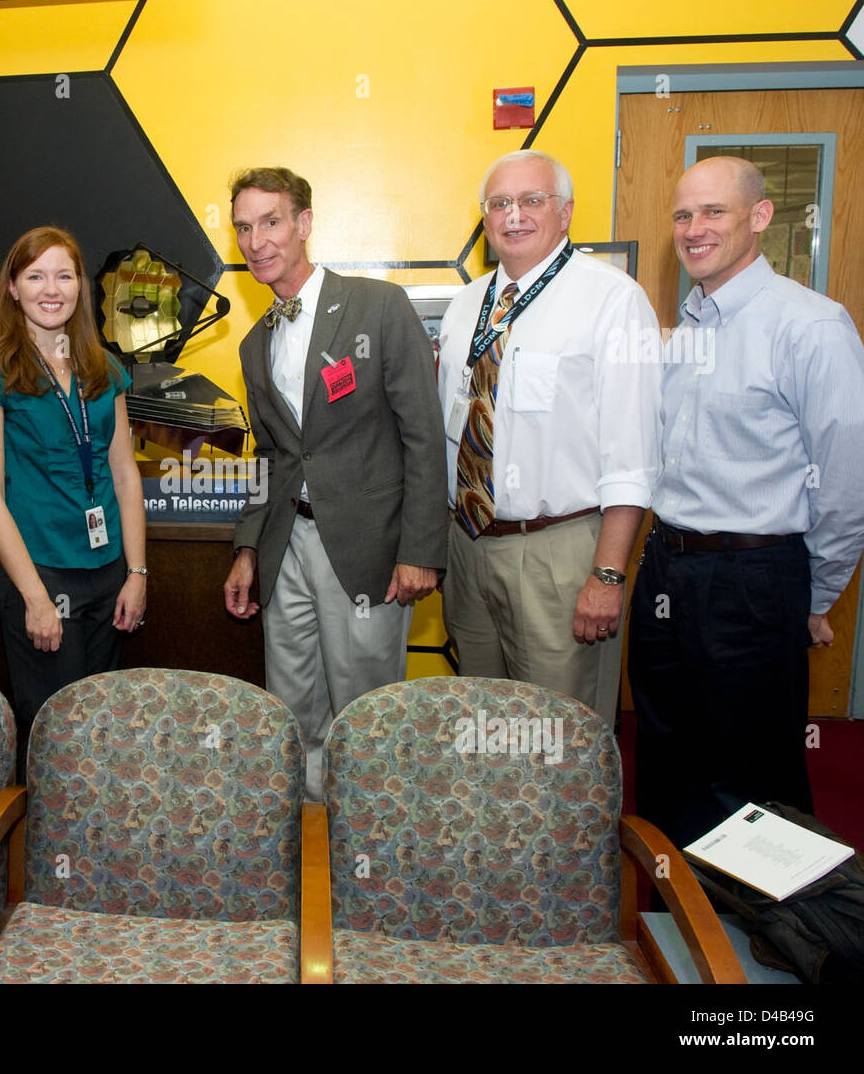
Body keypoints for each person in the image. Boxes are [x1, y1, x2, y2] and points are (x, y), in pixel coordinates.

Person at [630, 155, 864, 847]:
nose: (693, 229)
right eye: (682, 214)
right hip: (667, 570)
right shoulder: (689, 327)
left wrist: (814, 596)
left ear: (760, 217)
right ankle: (676, 911)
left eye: (713, 212)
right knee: (666, 764)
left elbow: (845, 482)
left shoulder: (811, 326)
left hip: (754, 578)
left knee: (753, 782)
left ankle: (764, 918)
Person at [221, 167, 446, 801]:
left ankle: (372, 845)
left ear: (305, 223)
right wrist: (247, 547)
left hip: (366, 549)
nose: (256, 241)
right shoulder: (254, 343)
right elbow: (271, 455)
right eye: (243, 227)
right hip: (286, 547)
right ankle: (308, 841)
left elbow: (423, 436)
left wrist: (420, 550)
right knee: (292, 713)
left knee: (366, 718)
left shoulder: (379, 306)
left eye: (271, 222)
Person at [436, 150, 662, 725]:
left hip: (558, 553)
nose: (514, 215)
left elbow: (633, 456)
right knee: (484, 722)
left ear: (566, 212)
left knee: (560, 735)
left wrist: (607, 575)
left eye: (531, 200)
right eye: (499, 203)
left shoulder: (612, 299)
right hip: (468, 544)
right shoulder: (465, 306)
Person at [0, 226, 146, 772]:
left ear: (80, 286)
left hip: (108, 573)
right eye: (35, 276)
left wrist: (137, 573)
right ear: (13, 288)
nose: (51, 289)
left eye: (64, 276)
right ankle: (50, 832)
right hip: (40, 574)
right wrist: (36, 598)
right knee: (57, 739)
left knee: (104, 728)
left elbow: (125, 476)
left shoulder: (105, 370)